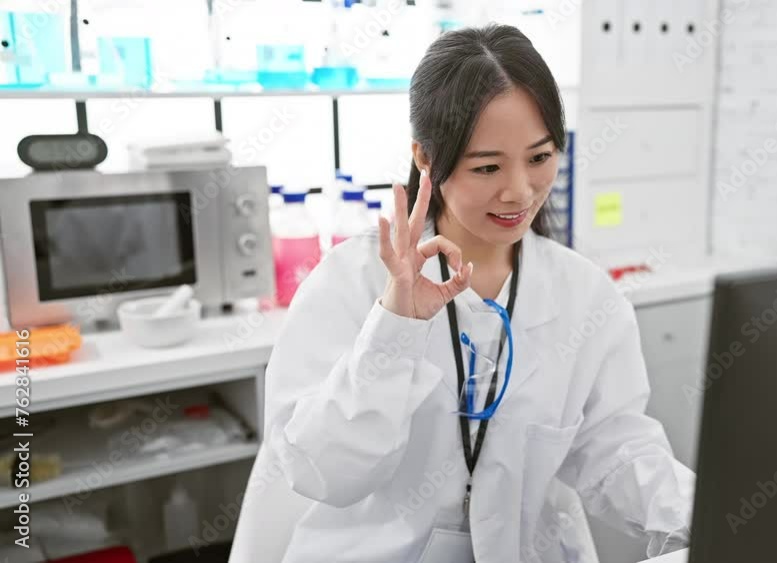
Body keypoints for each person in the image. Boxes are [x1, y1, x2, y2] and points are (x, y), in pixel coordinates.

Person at [261, 24, 694, 563]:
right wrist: (394, 327)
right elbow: (321, 470)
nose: (519, 190)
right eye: (487, 166)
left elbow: (614, 444)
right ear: (426, 158)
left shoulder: (585, 296)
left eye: (539, 157)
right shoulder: (349, 281)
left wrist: (696, 515)